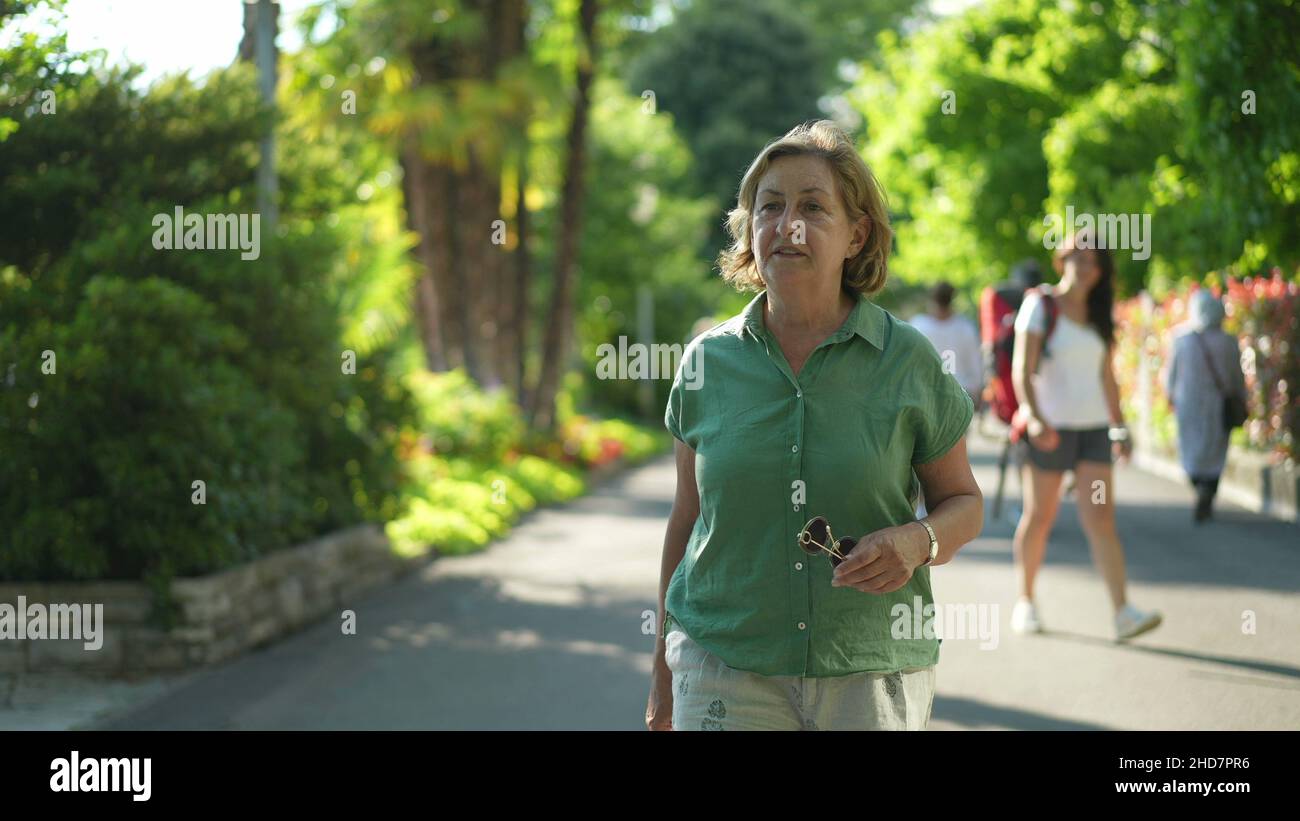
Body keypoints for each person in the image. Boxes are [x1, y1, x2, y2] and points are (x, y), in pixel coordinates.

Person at [644, 120, 984, 731]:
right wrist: (662, 678)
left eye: (812, 207)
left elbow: (963, 502)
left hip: (869, 671)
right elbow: (687, 521)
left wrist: (916, 542)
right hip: (724, 668)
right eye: (769, 207)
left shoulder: (908, 361)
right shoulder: (706, 363)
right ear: (750, 230)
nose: (787, 225)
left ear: (856, 235)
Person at [1009, 231, 1162, 642]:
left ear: (1100, 272)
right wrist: (1035, 418)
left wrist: (1120, 425)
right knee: (1040, 517)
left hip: (1093, 432)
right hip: (1050, 432)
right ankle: (1026, 602)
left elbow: (1106, 375)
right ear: (1063, 260)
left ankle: (1122, 613)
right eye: (1076, 256)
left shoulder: (1097, 312)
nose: (1083, 265)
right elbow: (1021, 368)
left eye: (1092, 261)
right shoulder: (1039, 305)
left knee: (1101, 518)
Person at [1163, 288, 1247, 523]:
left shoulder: (1181, 339)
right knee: (1216, 448)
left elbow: (1171, 373)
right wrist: (1242, 397)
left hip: (1187, 404)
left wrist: (1169, 395)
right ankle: (1208, 489)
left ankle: (1199, 486)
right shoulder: (1228, 342)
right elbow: (1237, 376)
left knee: (1190, 448)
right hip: (1219, 404)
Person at [910, 281, 984, 408]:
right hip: (960, 393)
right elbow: (975, 364)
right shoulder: (965, 327)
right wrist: (978, 390)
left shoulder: (918, 326)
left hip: (926, 394)